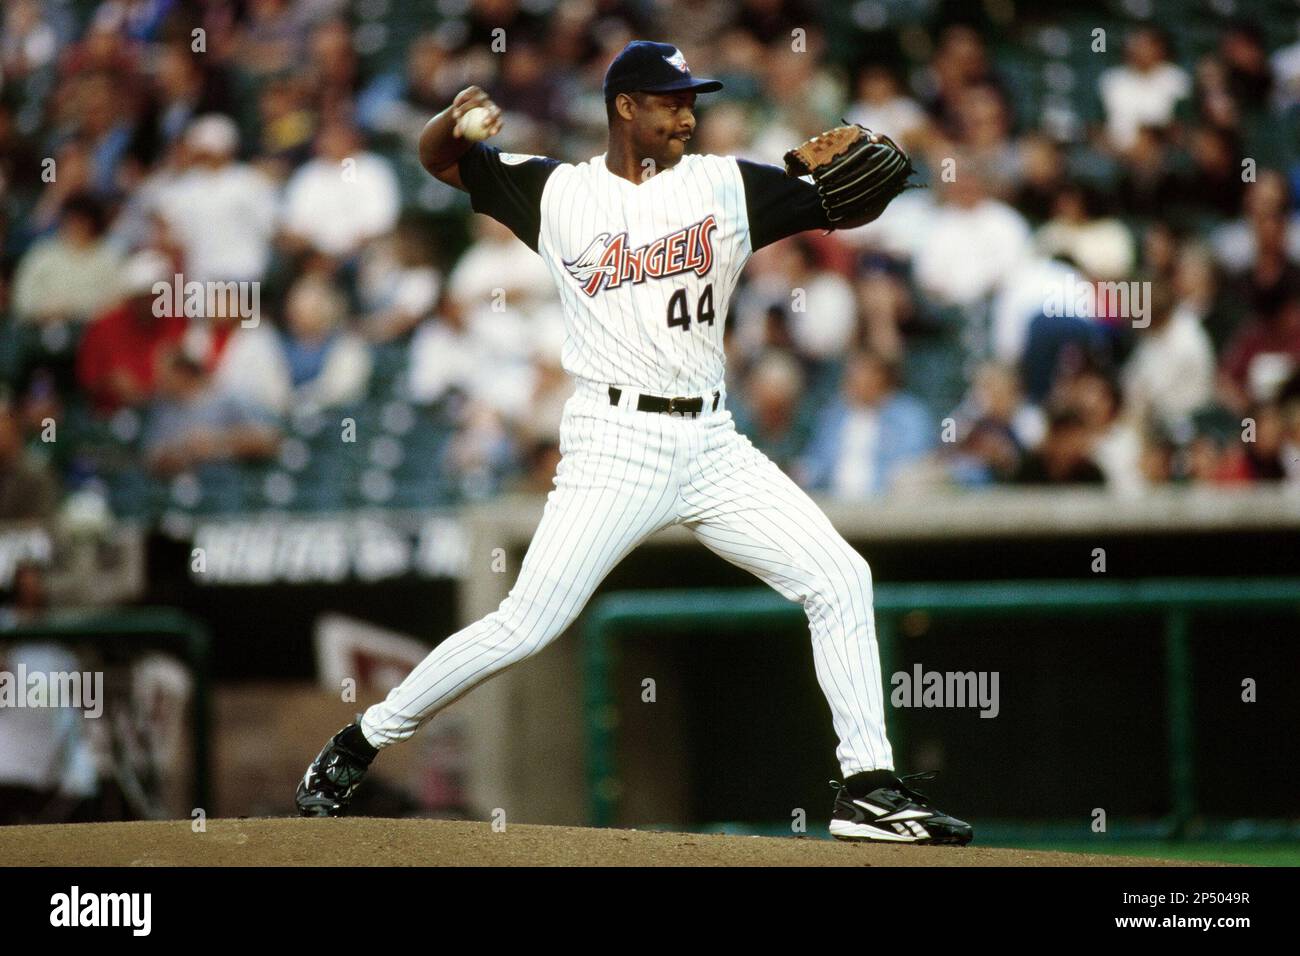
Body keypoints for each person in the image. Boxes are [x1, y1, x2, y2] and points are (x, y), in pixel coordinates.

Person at [296, 40, 973, 845]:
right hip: (615, 441)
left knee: (840, 577)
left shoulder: (726, 184)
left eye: (692, 100)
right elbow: (439, 159)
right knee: (526, 624)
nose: (686, 113)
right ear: (625, 107)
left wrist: (874, 183)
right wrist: (452, 121)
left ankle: (866, 789)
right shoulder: (554, 191)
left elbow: (841, 202)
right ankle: (363, 738)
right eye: (669, 100)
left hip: (714, 441)